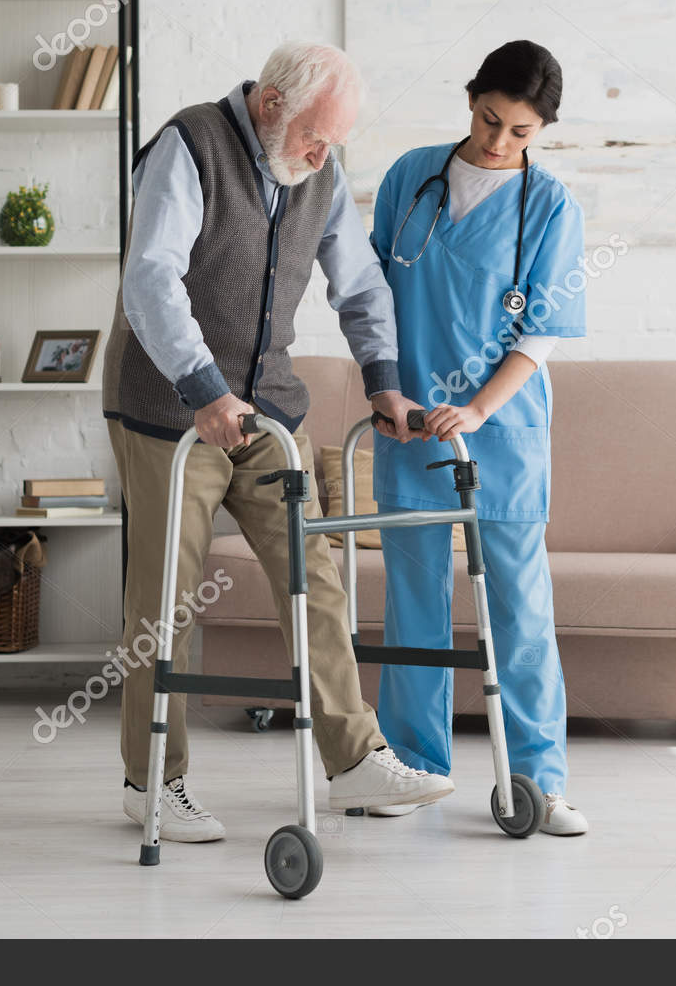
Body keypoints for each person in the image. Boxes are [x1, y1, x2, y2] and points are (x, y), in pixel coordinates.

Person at [102, 41, 449, 843]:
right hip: (169, 404)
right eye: (314, 138)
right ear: (268, 107)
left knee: (314, 575)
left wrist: (384, 379)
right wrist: (203, 390)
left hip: (265, 410)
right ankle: (153, 781)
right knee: (163, 601)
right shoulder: (189, 145)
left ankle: (355, 760)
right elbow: (150, 276)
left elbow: (358, 281)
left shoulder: (317, 173)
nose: (324, 155)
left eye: (334, 143)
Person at [367, 41, 589, 835]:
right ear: (471, 100)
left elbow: (543, 333)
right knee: (414, 607)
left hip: (504, 433)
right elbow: (372, 299)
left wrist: (483, 410)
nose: (500, 143)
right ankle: (413, 768)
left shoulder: (551, 204)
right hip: (412, 426)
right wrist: (383, 387)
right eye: (491, 120)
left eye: (521, 133)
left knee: (521, 615)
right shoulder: (409, 178)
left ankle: (538, 781)